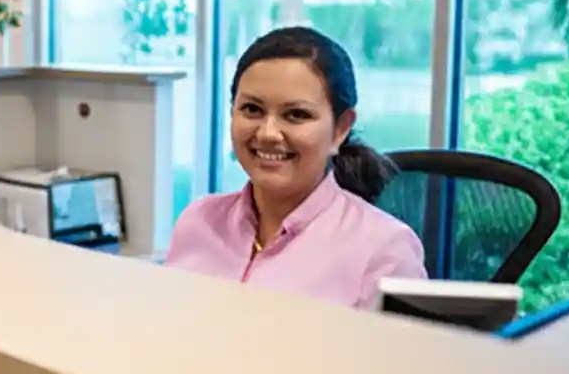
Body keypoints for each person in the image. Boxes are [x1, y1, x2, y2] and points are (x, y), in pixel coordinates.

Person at [165, 27, 426, 308]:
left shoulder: (384, 250)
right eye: (252, 109)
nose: (268, 133)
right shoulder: (199, 221)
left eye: (296, 115)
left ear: (340, 129)